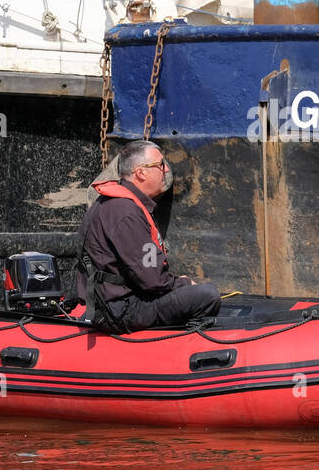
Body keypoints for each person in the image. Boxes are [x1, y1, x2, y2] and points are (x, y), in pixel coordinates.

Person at [77, 140, 221, 331]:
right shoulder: (125, 212)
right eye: (160, 165)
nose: (166, 170)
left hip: (114, 302)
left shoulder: (114, 204)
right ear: (141, 173)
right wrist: (185, 283)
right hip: (120, 310)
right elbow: (152, 280)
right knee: (207, 295)